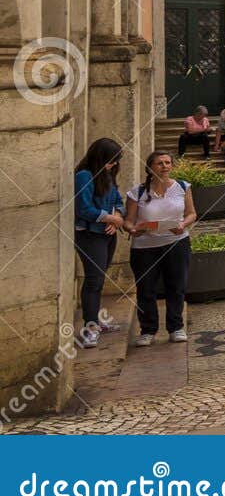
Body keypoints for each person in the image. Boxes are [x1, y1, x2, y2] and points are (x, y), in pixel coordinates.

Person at [125, 151, 196, 346]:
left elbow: (191, 213)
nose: (165, 166)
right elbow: (128, 220)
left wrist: (182, 225)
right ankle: (148, 330)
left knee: (176, 286)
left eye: (168, 162)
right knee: (146, 289)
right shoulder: (137, 192)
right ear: (150, 168)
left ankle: (176, 327)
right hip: (144, 247)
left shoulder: (183, 187)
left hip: (176, 242)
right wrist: (133, 230)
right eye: (159, 163)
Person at [72, 137, 126, 348]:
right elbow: (83, 208)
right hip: (90, 235)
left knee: (100, 279)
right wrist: (110, 218)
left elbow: (118, 201)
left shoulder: (107, 174)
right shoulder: (84, 176)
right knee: (93, 281)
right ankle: (90, 328)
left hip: (107, 234)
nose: (114, 164)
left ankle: (95, 320)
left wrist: (116, 217)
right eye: (111, 160)